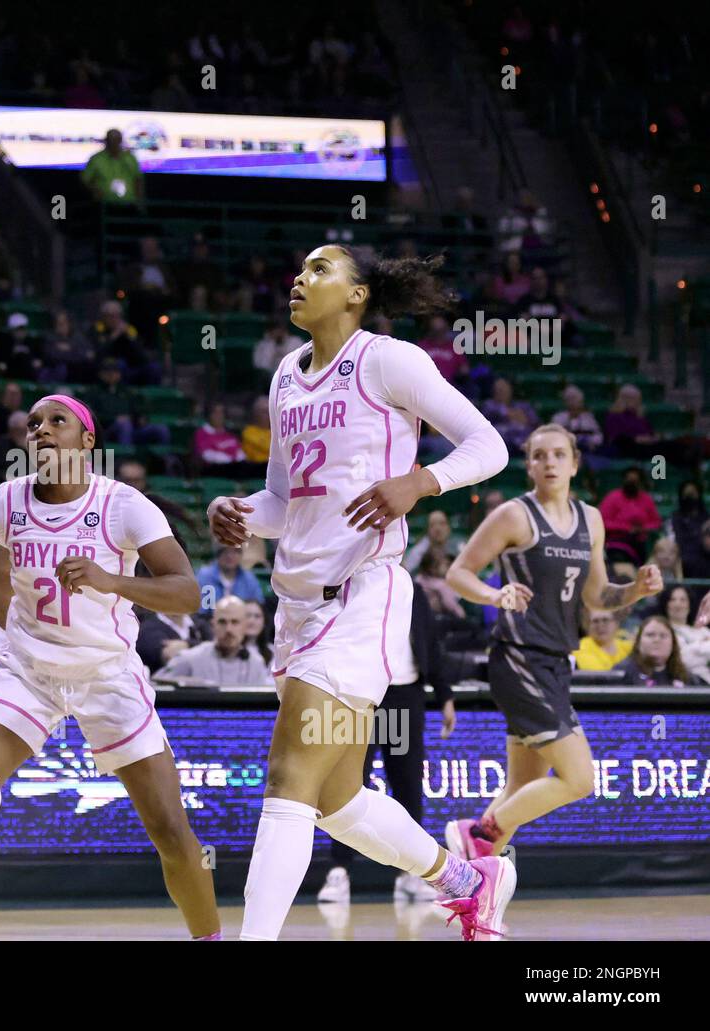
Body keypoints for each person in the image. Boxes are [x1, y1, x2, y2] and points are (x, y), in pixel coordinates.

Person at [207, 245, 512, 942]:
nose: (299, 277)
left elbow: (488, 444)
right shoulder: (287, 372)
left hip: (360, 596)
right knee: (337, 800)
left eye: (319, 269)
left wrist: (419, 481)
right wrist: (243, 510)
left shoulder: (387, 360)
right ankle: (467, 880)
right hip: (297, 605)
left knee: (288, 777)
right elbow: (286, 498)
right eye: (300, 268)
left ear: (357, 293)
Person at [0, 395, 219, 939]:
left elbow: (189, 593)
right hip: (28, 672)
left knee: (171, 830)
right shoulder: (3, 504)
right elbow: (3, 579)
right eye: (33, 424)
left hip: (107, 674)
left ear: (87, 442)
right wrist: (9, 644)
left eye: (58, 422)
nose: (42, 430)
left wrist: (113, 581)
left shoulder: (125, 506)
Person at [445, 424, 663, 863]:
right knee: (580, 778)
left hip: (557, 663)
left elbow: (597, 596)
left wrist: (636, 590)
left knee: (521, 789)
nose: (549, 463)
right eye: (539, 455)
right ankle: (477, 833)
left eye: (558, 455)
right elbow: (458, 574)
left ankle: (470, 887)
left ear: (575, 463)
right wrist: (495, 594)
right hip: (518, 658)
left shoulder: (592, 520)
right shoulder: (514, 515)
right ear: (528, 465)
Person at [317, 576, 457, 905]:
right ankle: (339, 870)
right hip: (360, 691)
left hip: (404, 695)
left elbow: (430, 641)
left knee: (407, 782)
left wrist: (445, 694)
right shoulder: (351, 579)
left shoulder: (413, 587)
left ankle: (413, 873)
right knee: (349, 785)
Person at [154, 595, 270, 686]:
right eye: (222, 622)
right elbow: (156, 683)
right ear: (213, 625)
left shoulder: (256, 663)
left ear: (245, 626)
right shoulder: (192, 658)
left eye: (235, 622)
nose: (229, 629)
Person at [598, 467, 662, 568]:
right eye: (629, 479)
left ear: (640, 483)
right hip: (617, 542)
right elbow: (602, 521)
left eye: (635, 480)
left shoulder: (646, 499)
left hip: (641, 542)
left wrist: (642, 528)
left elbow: (656, 522)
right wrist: (626, 528)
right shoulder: (613, 497)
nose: (631, 483)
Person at [614, 616, 698, 687]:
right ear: (638, 642)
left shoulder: (686, 677)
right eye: (650, 635)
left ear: (673, 644)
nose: (657, 640)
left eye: (663, 636)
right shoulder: (621, 674)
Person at [659, 585, 710, 684]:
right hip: (686, 683)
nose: (678, 604)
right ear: (666, 604)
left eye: (683, 600)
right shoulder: (662, 631)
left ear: (689, 604)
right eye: (672, 600)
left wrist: (692, 648)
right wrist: (703, 644)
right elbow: (681, 660)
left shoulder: (703, 631)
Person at [80, 128, 143, 205]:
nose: (114, 143)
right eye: (111, 140)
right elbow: (85, 179)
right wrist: (95, 190)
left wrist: (140, 202)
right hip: (104, 204)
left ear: (120, 141)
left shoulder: (130, 158)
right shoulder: (96, 159)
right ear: (106, 141)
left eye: (116, 140)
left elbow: (138, 179)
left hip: (129, 203)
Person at [195, 543, 264, 612]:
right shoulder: (204, 576)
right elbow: (200, 611)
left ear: (241, 555)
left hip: (243, 621)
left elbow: (257, 607)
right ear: (218, 554)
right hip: (209, 620)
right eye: (225, 551)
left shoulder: (249, 579)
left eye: (236, 551)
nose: (230, 556)